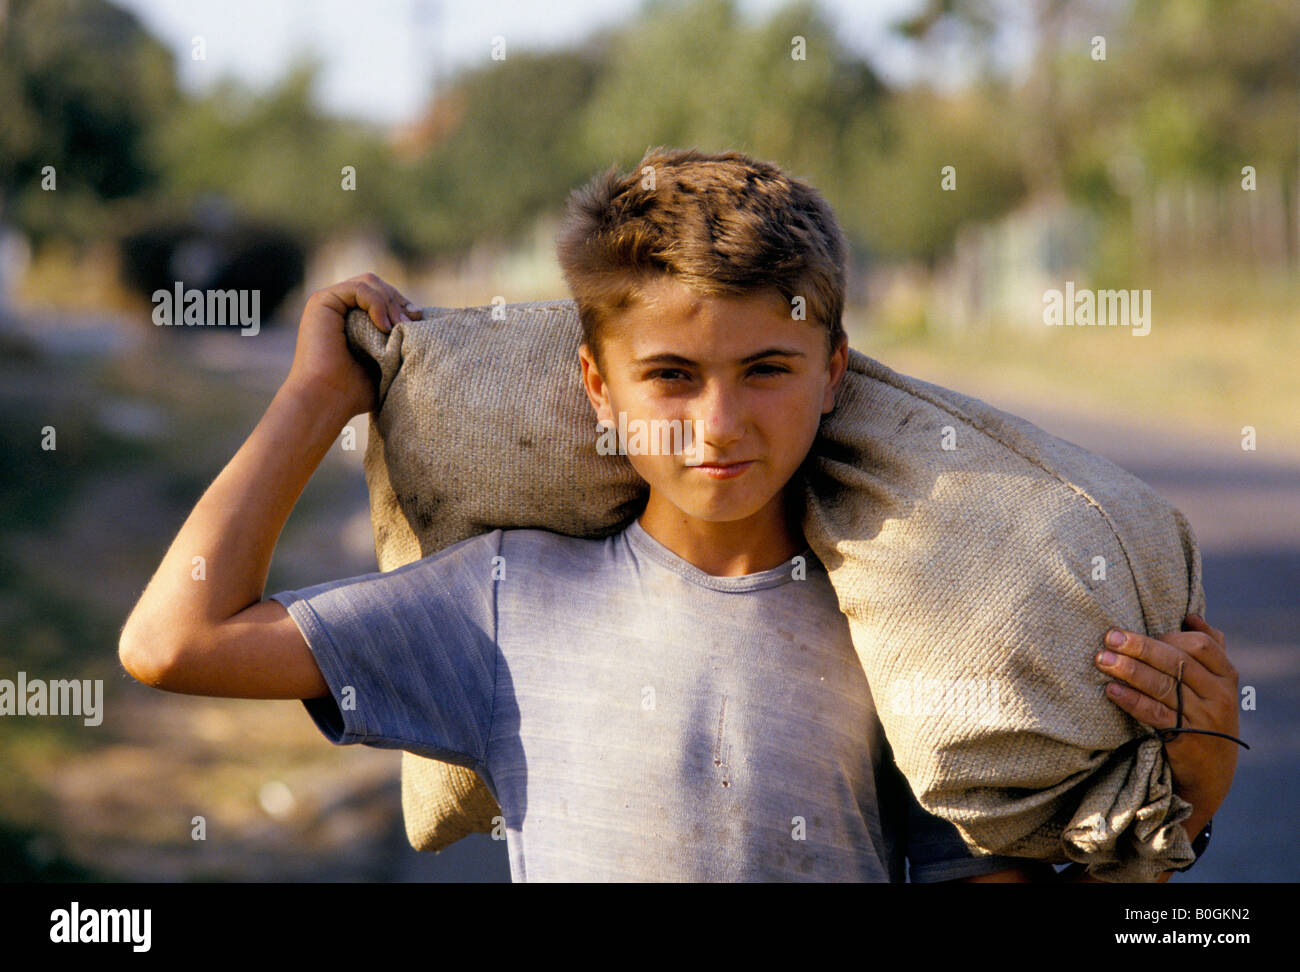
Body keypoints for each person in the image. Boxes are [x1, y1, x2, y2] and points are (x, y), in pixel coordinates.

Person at [117, 147, 1240, 882]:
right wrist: (320, 398)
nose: (718, 425)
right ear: (596, 386)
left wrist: (1191, 786)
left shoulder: (911, 621)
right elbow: (173, 643)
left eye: (764, 369)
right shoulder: (504, 600)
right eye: (668, 375)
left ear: (834, 371)